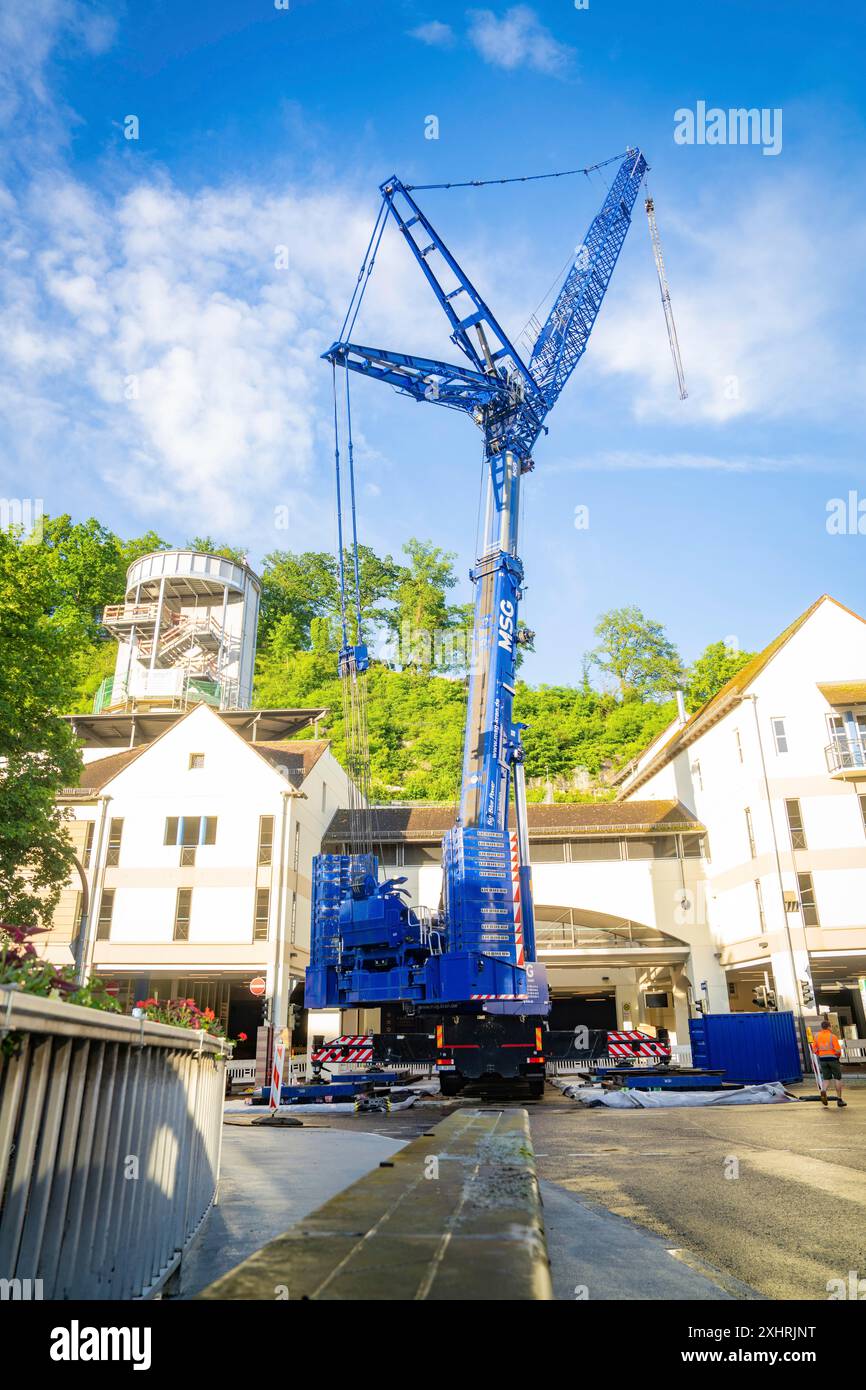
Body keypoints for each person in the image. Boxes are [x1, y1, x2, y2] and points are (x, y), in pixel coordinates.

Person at [812, 1016, 846, 1108]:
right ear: (829, 1027)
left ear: (822, 1027)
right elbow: (838, 1051)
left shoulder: (816, 1036)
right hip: (833, 1059)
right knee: (837, 1078)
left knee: (826, 1078)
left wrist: (820, 1054)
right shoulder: (833, 1036)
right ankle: (839, 1099)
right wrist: (837, 1057)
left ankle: (823, 1090)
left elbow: (814, 1049)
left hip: (823, 1059)